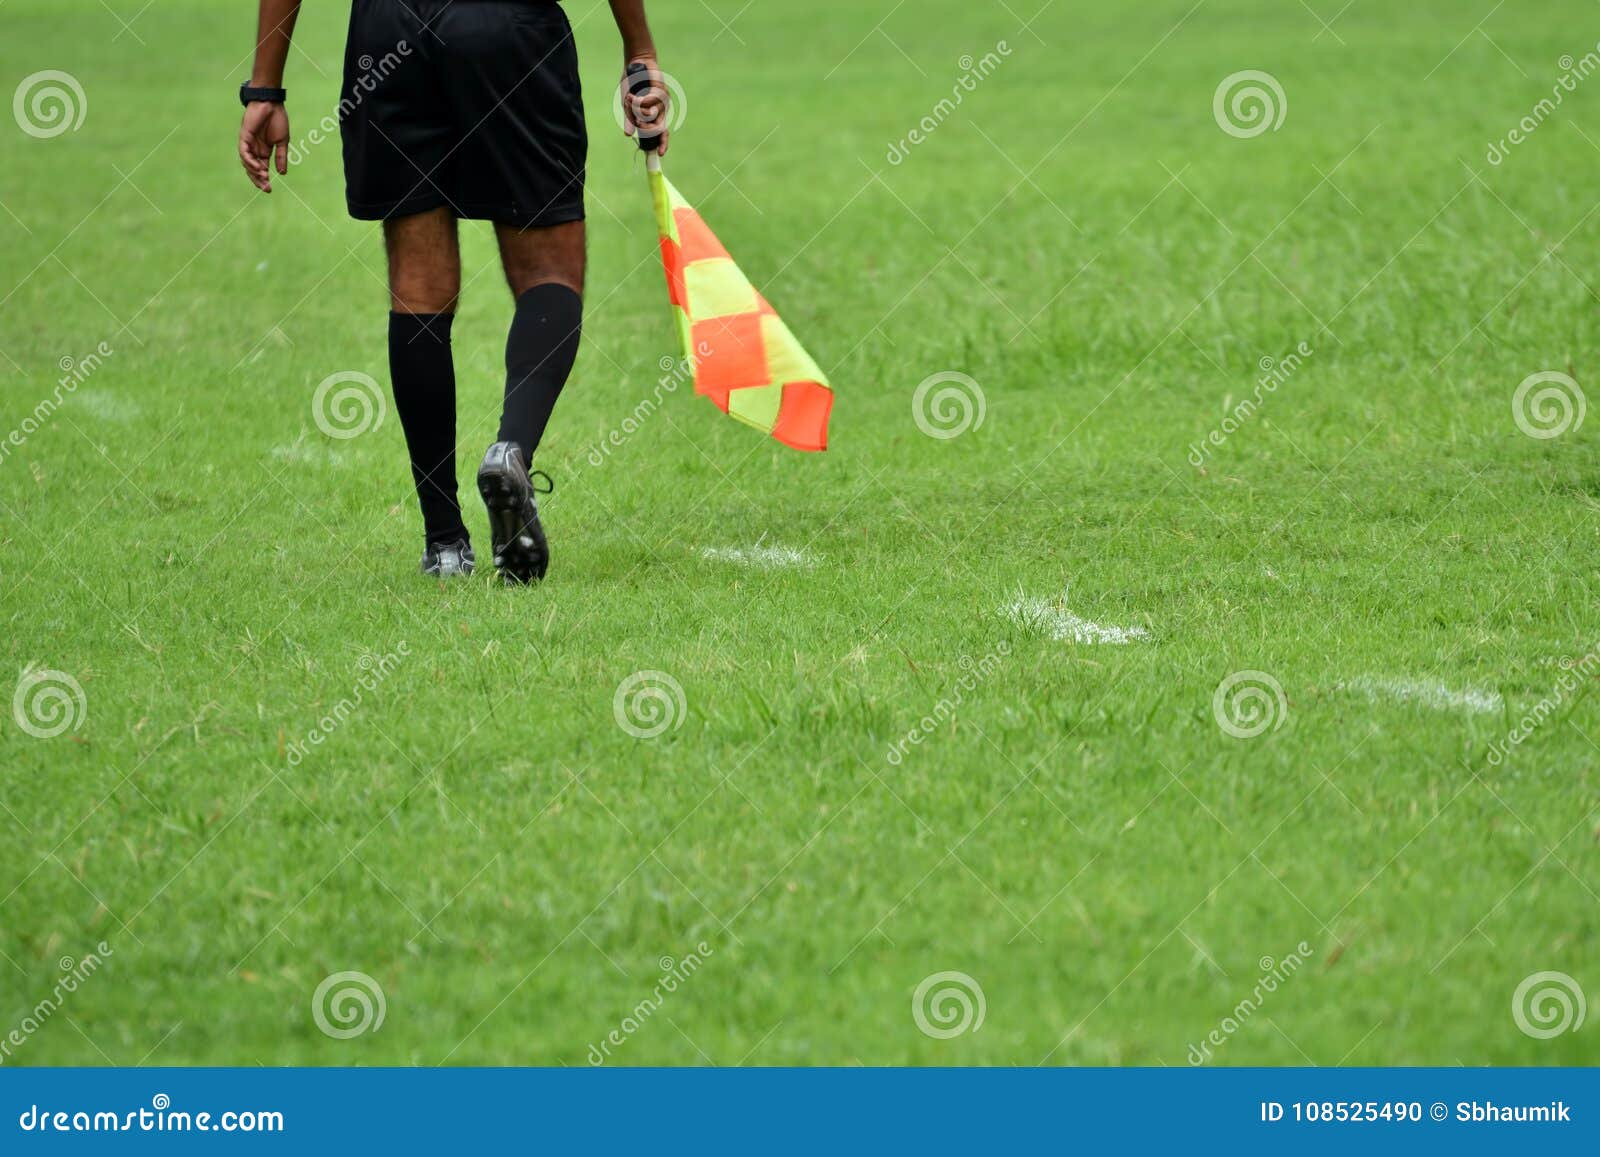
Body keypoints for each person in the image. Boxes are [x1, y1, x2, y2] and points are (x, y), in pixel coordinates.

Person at [237, 0, 669, 582]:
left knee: (418, 286)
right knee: (550, 273)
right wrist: (639, 53)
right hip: (508, 31)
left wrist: (264, 90)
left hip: (387, 38)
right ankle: (510, 452)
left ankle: (444, 542)